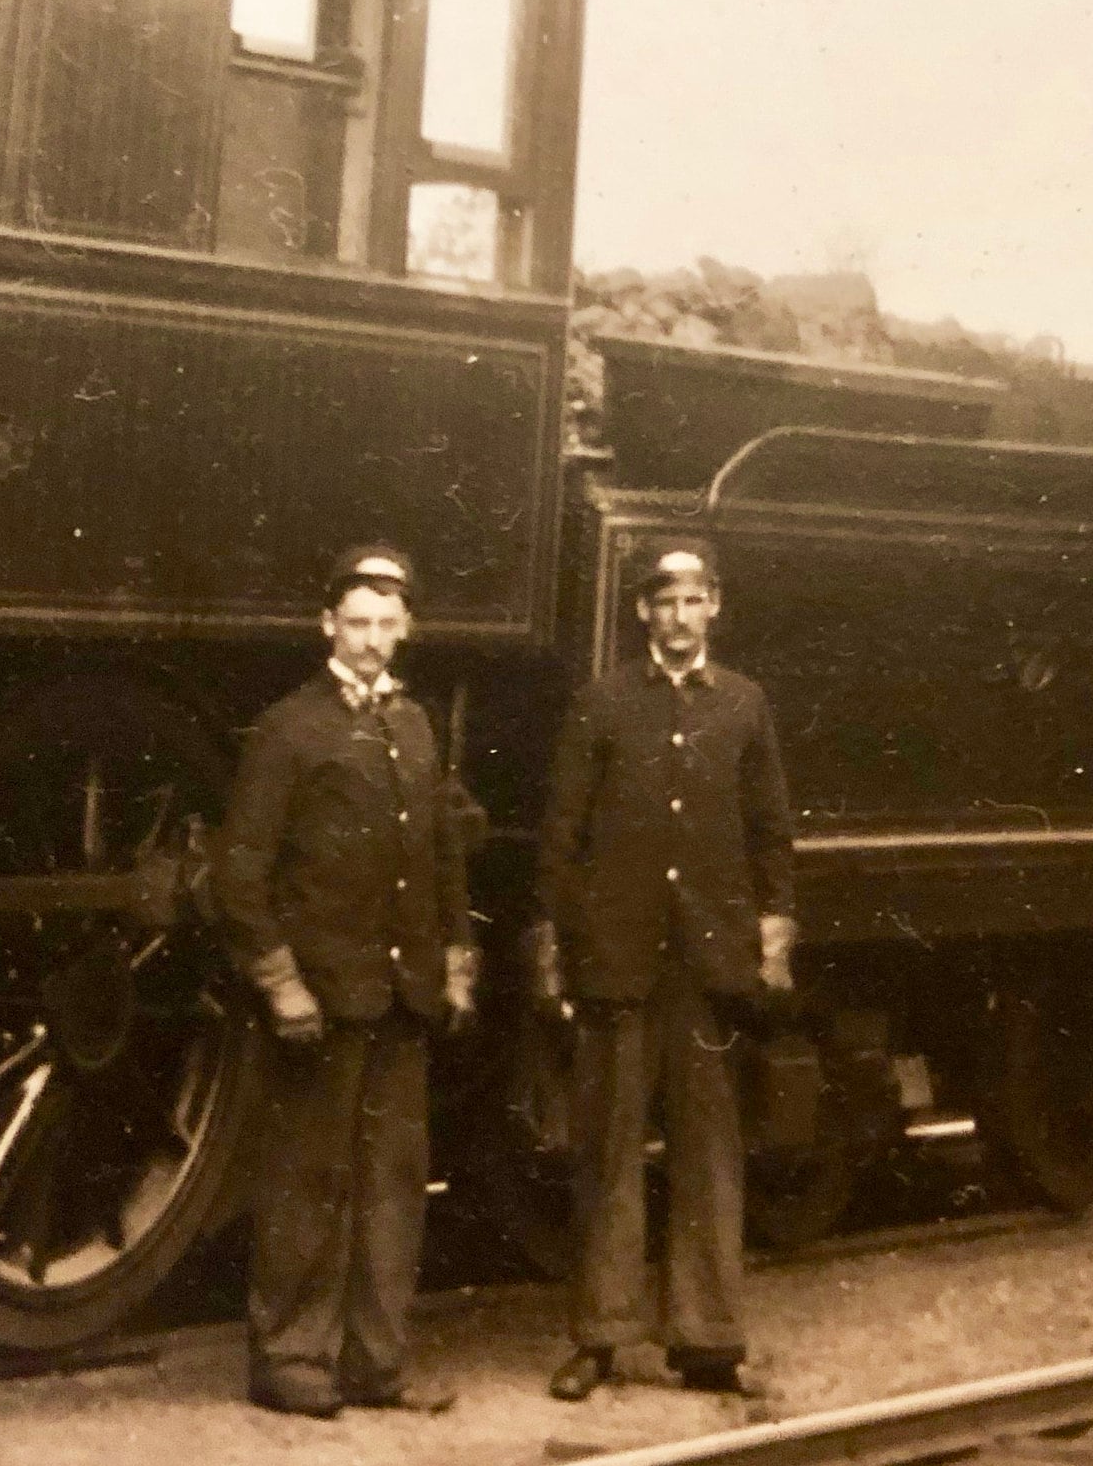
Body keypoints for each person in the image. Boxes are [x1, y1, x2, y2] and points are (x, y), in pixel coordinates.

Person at [215, 543, 485, 1418]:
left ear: (406, 629)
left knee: (393, 1188)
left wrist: (453, 962)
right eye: (356, 623)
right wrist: (281, 983)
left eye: (386, 624)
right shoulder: (289, 729)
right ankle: (292, 1361)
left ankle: (377, 1364)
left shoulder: (414, 725)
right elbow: (240, 874)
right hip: (323, 1002)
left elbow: (442, 858)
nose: (371, 640)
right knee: (309, 1181)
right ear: (327, 624)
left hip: (401, 996)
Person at [534, 541, 796, 1402]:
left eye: (693, 601)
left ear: (714, 605)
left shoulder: (744, 704)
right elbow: (563, 836)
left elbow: (769, 832)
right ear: (643, 611)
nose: (679, 618)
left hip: (707, 967)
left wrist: (769, 935)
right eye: (664, 602)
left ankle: (708, 1339)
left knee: (709, 1153)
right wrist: (567, 947)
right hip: (619, 963)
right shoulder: (603, 703)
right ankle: (601, 1339)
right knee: (608, 1153)